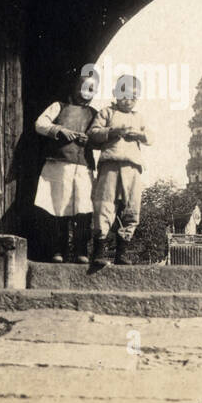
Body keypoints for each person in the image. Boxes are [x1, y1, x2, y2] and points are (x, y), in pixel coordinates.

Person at [32, 70, 99, 263]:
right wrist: (59, 129)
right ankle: (58, 250)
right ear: (76, 87)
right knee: (58, 206)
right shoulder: (58, 107)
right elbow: (40, 124)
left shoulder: (95, 114)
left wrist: (90, 140)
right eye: (85, 87)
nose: (87, 92)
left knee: (83, 208)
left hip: (83, 166)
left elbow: (100, 137)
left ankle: (81, 251)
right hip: (59, 165)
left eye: (92, 89)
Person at [88, 74, 151, 265]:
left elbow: (150, 136)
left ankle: (122, 251)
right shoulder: (107, 112)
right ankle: (100, 250)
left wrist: (139, 135)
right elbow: (93, 133)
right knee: (105, 205)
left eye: (133, 97)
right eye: (124, 95)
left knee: (131, 207)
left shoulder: (138, 117)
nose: (128, 100)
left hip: (132, 167)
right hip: (110, 164)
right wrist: (111, 132)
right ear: (116, 94)